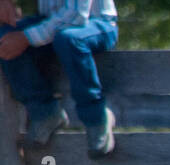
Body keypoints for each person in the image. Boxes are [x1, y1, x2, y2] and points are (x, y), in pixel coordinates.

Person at [0, 0, 117, 157]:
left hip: (95, 23)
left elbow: (76, 16)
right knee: (4, 38)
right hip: (52, 22)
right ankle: (44, 111)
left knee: (69, 39)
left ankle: (97, 117)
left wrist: (26, 38)